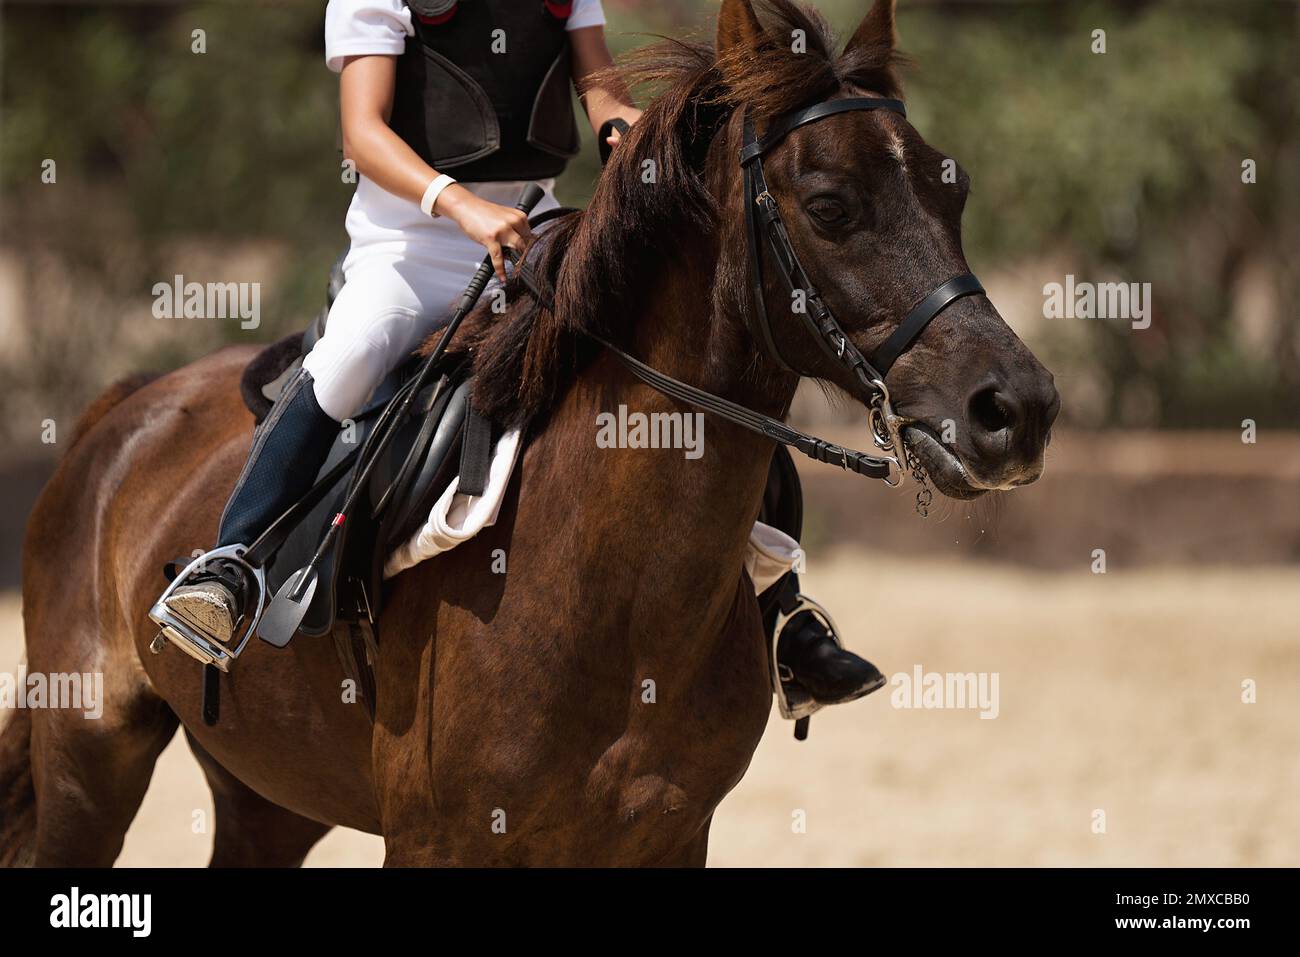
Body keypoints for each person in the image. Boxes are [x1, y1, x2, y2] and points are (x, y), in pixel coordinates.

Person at [154, 0, 884, 719]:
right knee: (354, 352)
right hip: (409, 245)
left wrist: (626, 135)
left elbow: (597, 84)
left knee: (688, 357)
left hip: (532, 228)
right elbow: (362, 135)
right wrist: (460, 206)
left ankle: (782, 612)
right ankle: (232, 562)